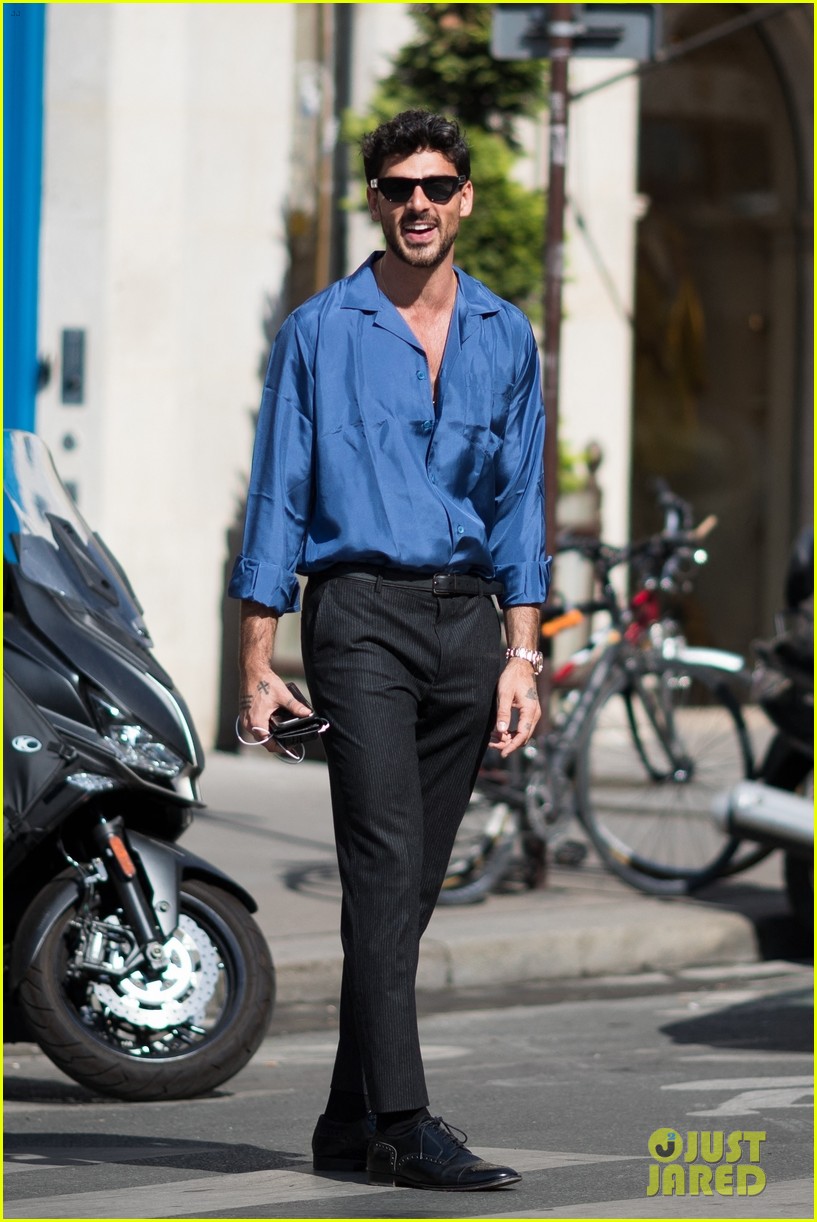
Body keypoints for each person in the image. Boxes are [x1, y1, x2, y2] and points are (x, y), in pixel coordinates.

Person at [229, 109, 550, 1192]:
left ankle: (341, 1121)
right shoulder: (320, 331)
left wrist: (523, 652)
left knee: (409, 885)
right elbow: (276, 492)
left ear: (464, 200)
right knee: (378, 863)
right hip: (359, 615)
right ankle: (404, 1122)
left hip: (468, 627)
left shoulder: (507, 335)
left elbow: (520, 504)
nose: (417, 201)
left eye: (437, 185)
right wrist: (257, 658)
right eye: (397, 185)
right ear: (375, 198)